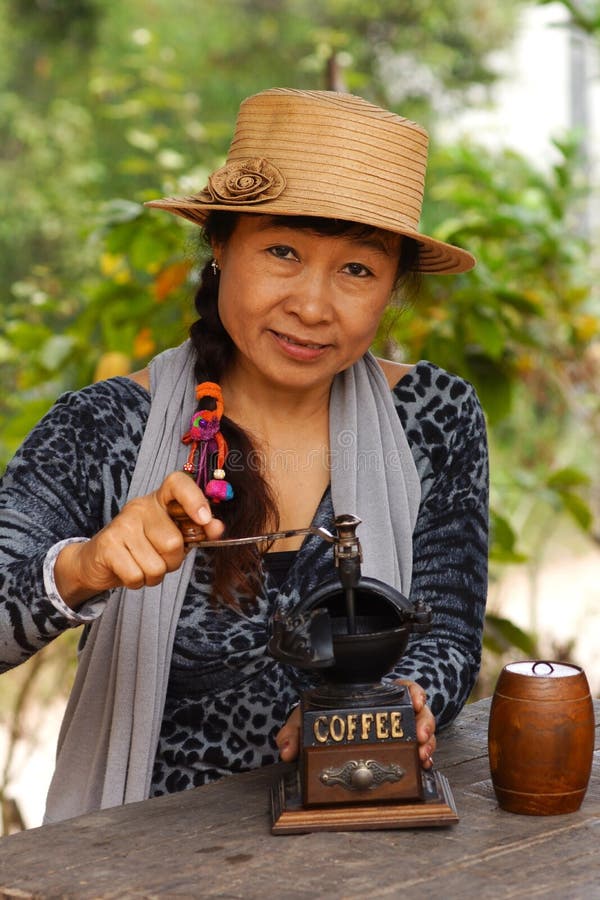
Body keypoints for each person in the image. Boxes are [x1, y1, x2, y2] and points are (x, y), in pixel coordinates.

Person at [0, 88, 488, 823]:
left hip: (374, 846)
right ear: (220, 246)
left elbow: (446, 633)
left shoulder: (437, 417)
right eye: (283, 251)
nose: (314, 306)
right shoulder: (102, 428)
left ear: (393, 287)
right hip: (148, 857)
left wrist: (392, 707)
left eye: (357, 269)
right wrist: (84, 567)